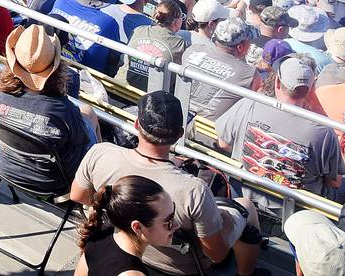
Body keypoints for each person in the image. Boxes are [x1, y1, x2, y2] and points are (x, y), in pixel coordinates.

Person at [71, 91, 263, 276]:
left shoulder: (100, 153)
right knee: (246, 207)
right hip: (181, 266)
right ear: (180, 134)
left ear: (137, 124)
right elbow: (216, 254)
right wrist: (225, 221)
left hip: (119, 243)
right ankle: (247, 273)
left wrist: (120, 213)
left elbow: (77, 196)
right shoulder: (194, 190)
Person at [0, 25, 97, 193]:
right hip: (52, 180)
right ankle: (90, 187)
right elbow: (80, 140)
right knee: (89, 114)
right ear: (55, 68)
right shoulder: (62, 110)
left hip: (4, 163)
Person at [217, 56, 345, 204]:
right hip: (296, 208)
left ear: (277, 82)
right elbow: (335, 182)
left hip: (243, 193)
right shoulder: (323, 131)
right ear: (309, 90)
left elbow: (223, 144)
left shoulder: (249, 103)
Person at [74, 175, 179, 276]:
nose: (177, 225)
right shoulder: (132, 274)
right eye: (169, 221)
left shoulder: (101, 231)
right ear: (137, 227)